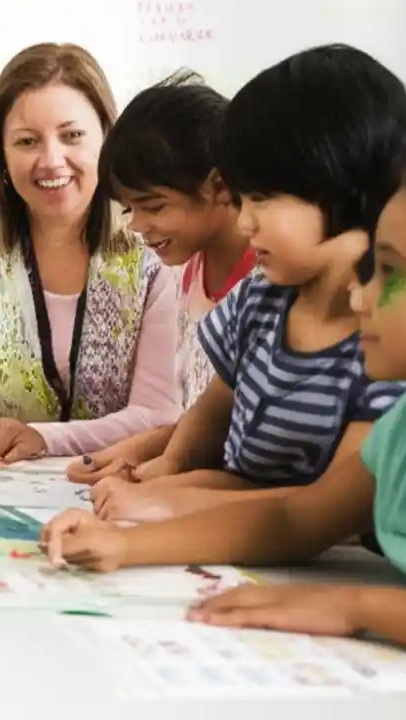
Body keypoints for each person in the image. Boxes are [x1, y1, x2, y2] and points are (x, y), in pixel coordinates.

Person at [42, 131, 406, 680]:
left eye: (391, 274)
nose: (361, 297)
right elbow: (294, 519)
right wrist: (123, 546)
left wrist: (357, 607)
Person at [78, 44, 406, 522]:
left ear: (339, 185)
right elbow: (216, 409)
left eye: (260, 198)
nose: (244, 223)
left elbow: (326, 512)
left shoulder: (395, 335)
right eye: (242, 199)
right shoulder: (260, 297)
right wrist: (168, 469)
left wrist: (172, 501)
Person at [0, 42, 181, 471]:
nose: (51, 161)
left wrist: (42, 439)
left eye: (72, 135)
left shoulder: (155, 243)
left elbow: (157, 415)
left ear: (108, 138)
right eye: (27, 141)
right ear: (0, 152)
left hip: (120, 491)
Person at [69, 70, 255, 485]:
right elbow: (205, 416)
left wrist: (161, 465)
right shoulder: (187, 271)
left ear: (220, 186)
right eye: (130, 208)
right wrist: (146, 449)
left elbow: (245, 424)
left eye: (153, 207)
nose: (136, 226)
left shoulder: (267, 282)